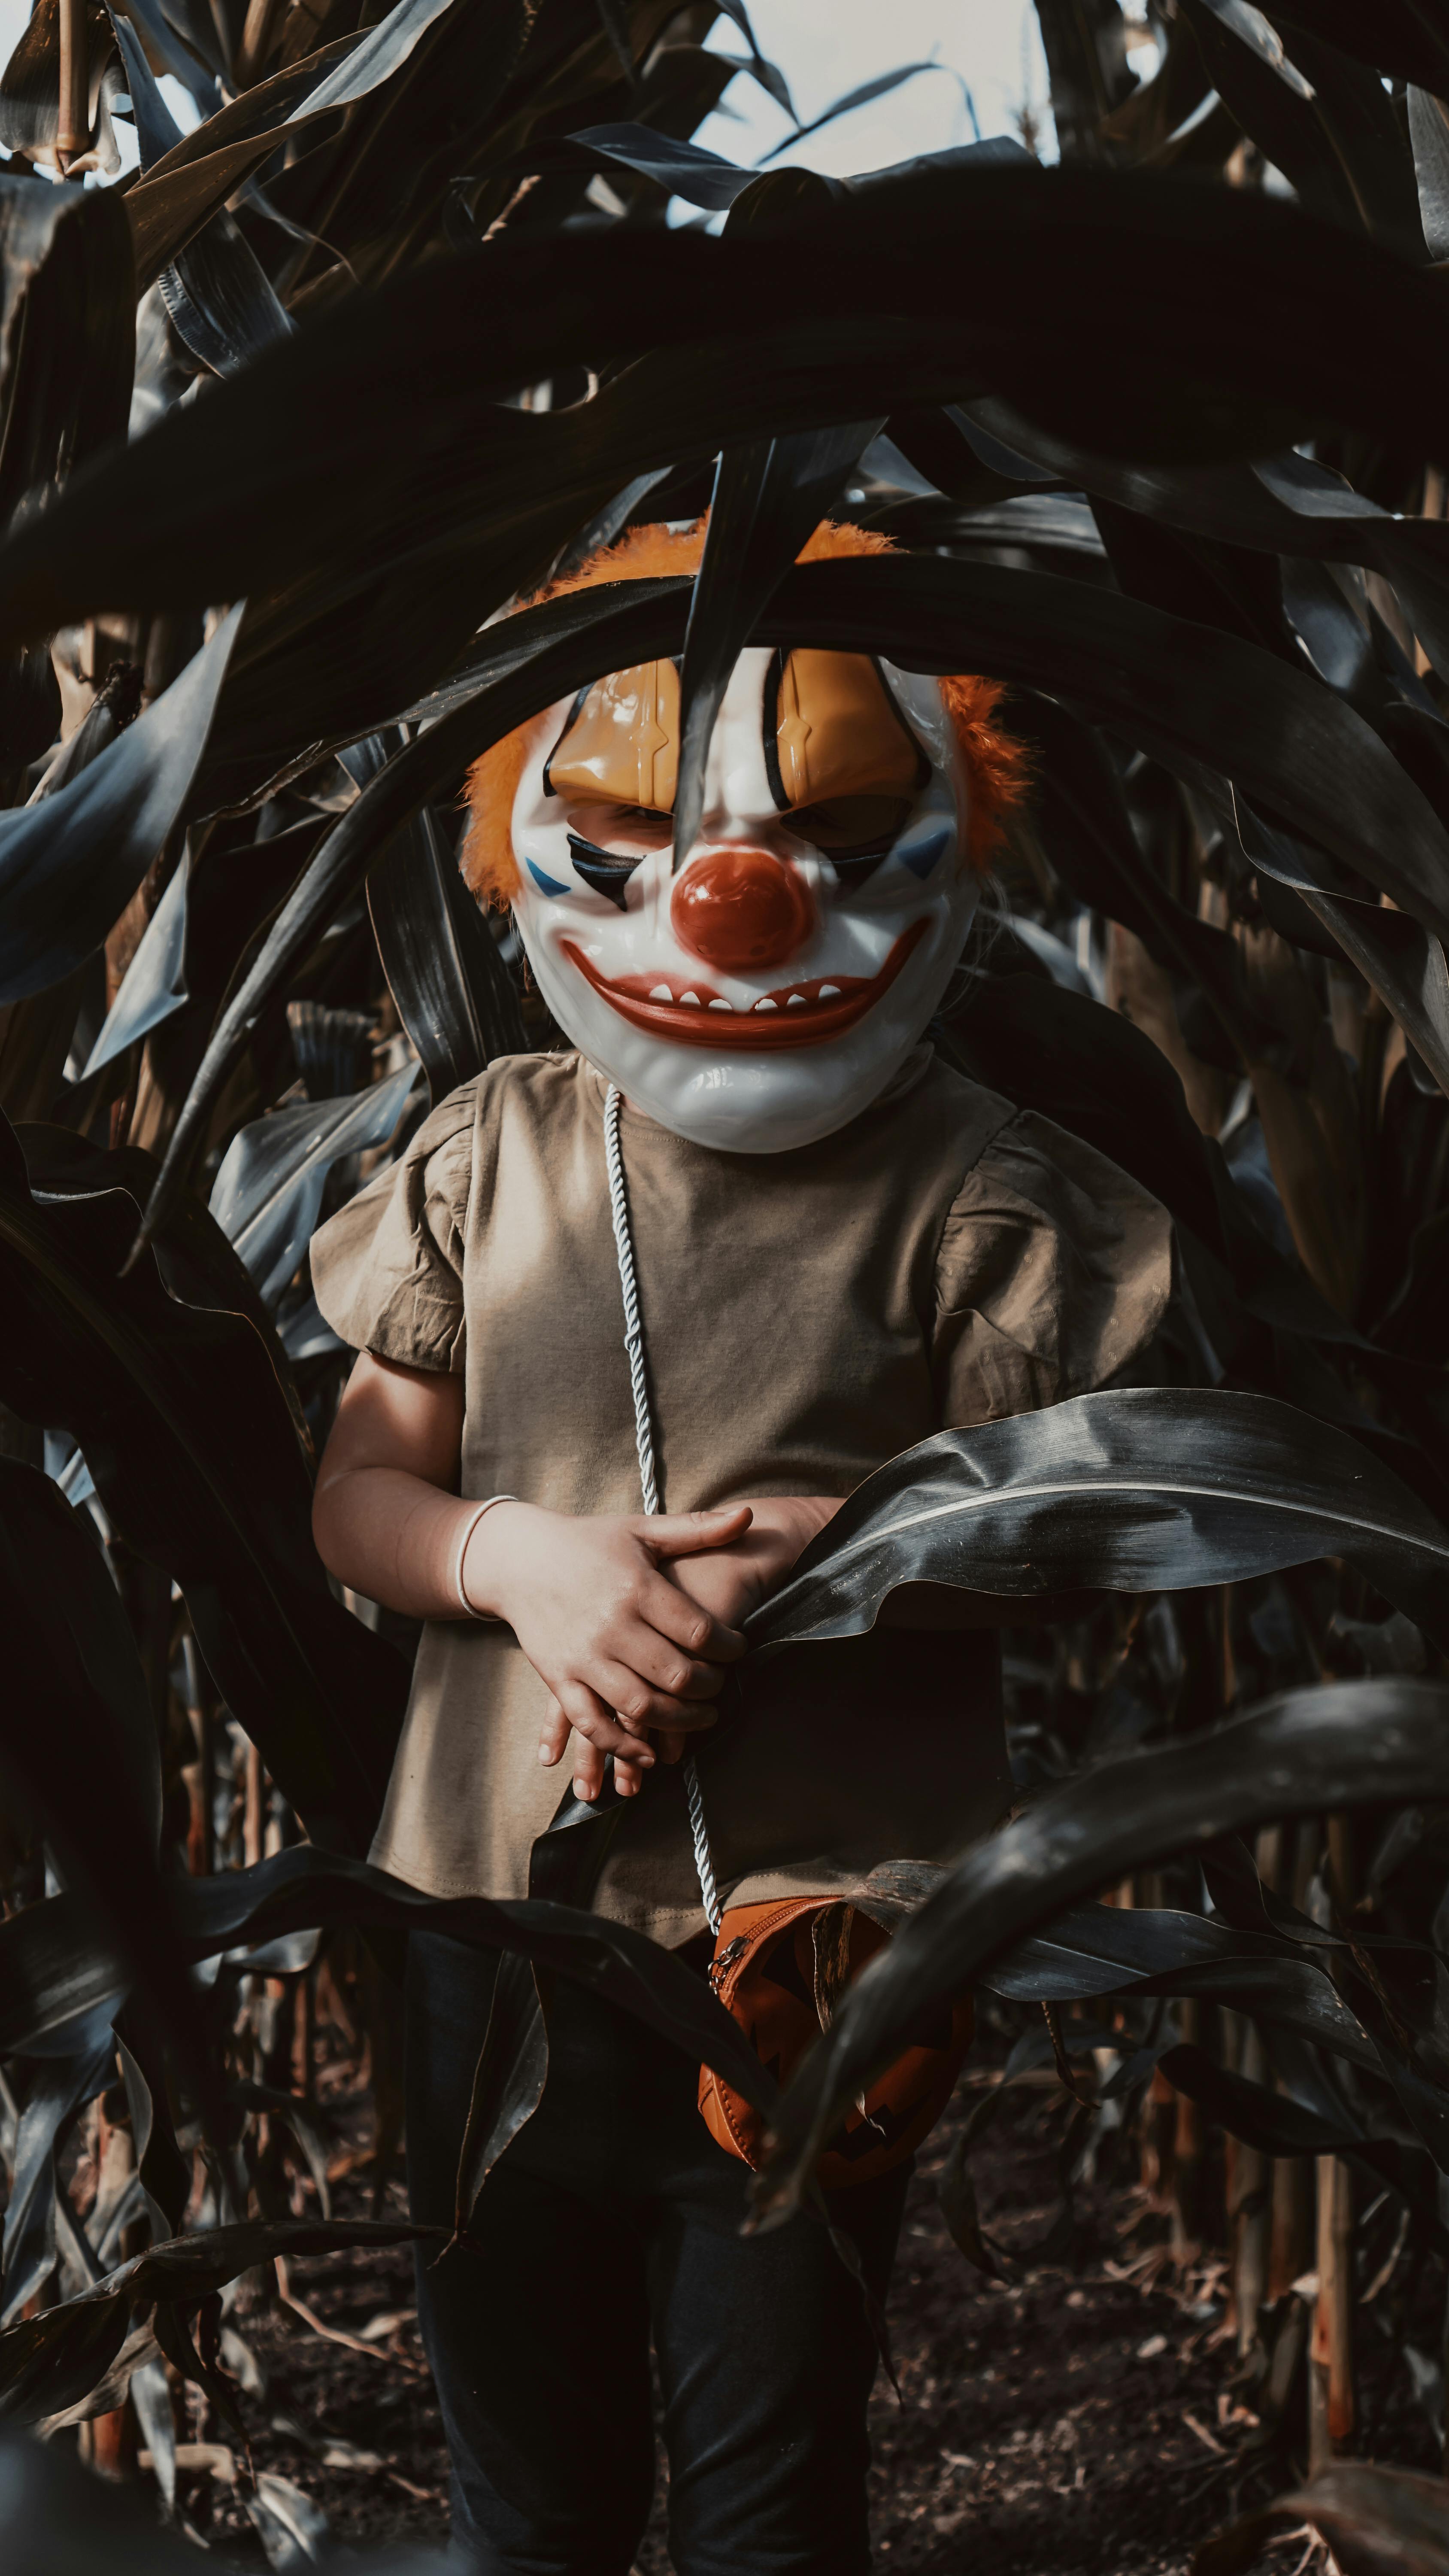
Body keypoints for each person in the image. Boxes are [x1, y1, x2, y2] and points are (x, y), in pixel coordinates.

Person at [309, 516, 1172, 2576]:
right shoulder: (487, 1151)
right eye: (621, 841)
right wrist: (527, 1564)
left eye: (846, 834)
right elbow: (356, 1504)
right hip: (488, 1949)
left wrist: (825, 1551)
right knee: (533, 2497)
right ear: (518, 836)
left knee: (776, 2493)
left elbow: (1091, 1514)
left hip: (814, 1955)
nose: (729, 893)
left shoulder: (982, 1190)